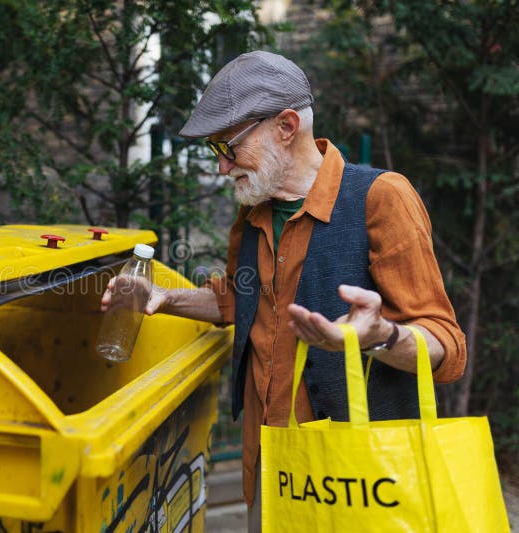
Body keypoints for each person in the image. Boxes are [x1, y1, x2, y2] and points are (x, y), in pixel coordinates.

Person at [100, 51, 466, 532]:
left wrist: (379, 336)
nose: (222, 168)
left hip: (360, 485)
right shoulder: (252, 210)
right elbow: (240, 300)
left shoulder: (382, 197)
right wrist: (165, 299)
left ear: (287, 126)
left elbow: (447, 348)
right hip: (269, 471)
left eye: (227, 147)